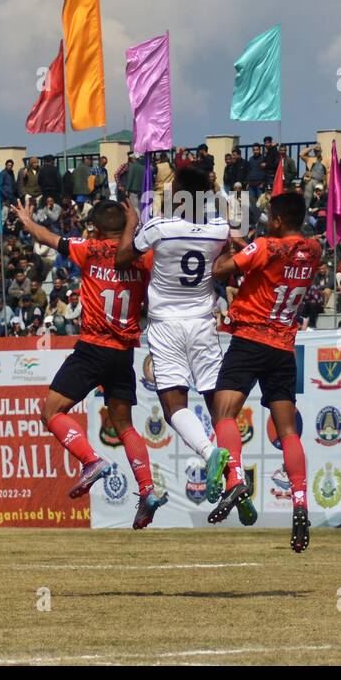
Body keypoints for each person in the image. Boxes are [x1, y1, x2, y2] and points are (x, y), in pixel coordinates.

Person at [11, 198, 167, 530]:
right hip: (124, 351)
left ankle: (91, 460)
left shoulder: (88, 250)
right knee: (125, 426)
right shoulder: (144, 258)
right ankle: (148, 490)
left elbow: (46, 238)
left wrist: (27, 220)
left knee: (51, 412)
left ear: (95, 228)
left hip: (94, 347)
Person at [114, 167, 237, 514]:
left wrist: (132, 222)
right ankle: (236, 476)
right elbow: (232, 252)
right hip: (202, 323)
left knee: (173, 407)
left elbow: (122, 258)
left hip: (166, 325)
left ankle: (211, 454)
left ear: (179, 196)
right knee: (219, 408)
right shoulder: (219, 229)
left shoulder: (159, 228)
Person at [208, 192, 322, 552]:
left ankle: (236, 479)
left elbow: (220, 271)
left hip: (250, 339)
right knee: (288, 430)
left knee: (224, 412)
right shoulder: (314, 249)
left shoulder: (264, 246)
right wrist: (248, 244)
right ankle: (301, 501)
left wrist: (229, 246)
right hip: (284, 345)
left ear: (275, 220)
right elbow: (277, 256)